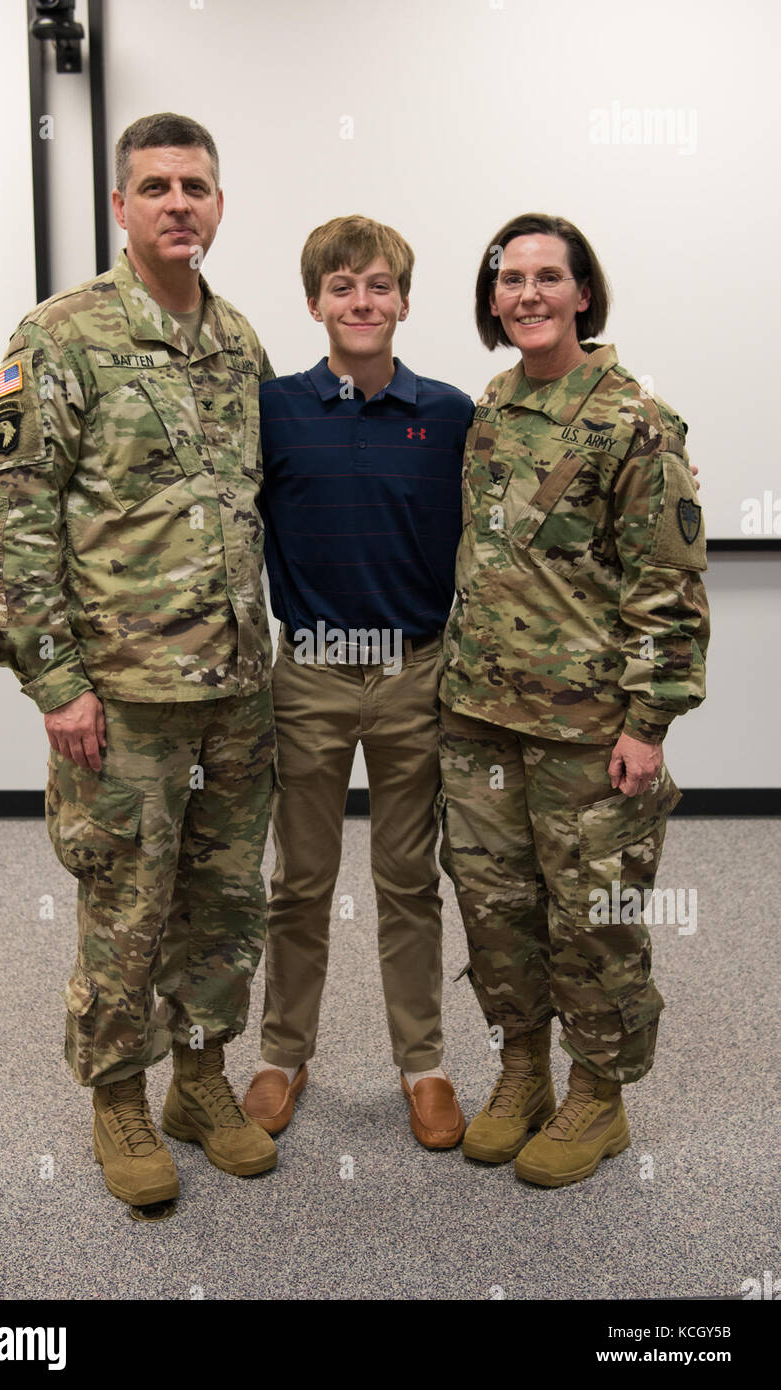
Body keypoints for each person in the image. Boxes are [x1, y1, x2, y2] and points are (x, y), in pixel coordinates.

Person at [0, 112, 278, 1211]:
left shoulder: (238, 341)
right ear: (120, 207)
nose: (178, 202)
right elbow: (10, 523)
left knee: (225, 903)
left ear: (219, 203)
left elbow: (256, 505)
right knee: (126, 903)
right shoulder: (61, 336)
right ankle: (116, 1094)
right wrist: (54, 681)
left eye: (196, 183)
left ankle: (200, 1076)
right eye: (156, 186)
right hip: (125, 695)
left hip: (238, 691)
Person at [438, 213, 709, 1186]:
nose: (526, 295)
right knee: (497, 908)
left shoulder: (633, 418)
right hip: (477, 716)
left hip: (587, 729)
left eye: (546, 277)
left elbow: (666, 585)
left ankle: (597, 1093)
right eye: (509, 280)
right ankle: (523, 1070)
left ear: (581, 292)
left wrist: (648, 721)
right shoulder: (491, 409)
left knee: (592, 913)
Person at [241, 216, 474, 1147]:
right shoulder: (273, 410)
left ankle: (423, 1066)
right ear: (314, 303)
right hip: (309, 680)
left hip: (416, 674)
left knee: (410, 881)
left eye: (379, 286)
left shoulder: (453, 414)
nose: (362, 302)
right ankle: (280, 1056)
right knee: (300, 882)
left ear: (405, 302)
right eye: (342, 288)